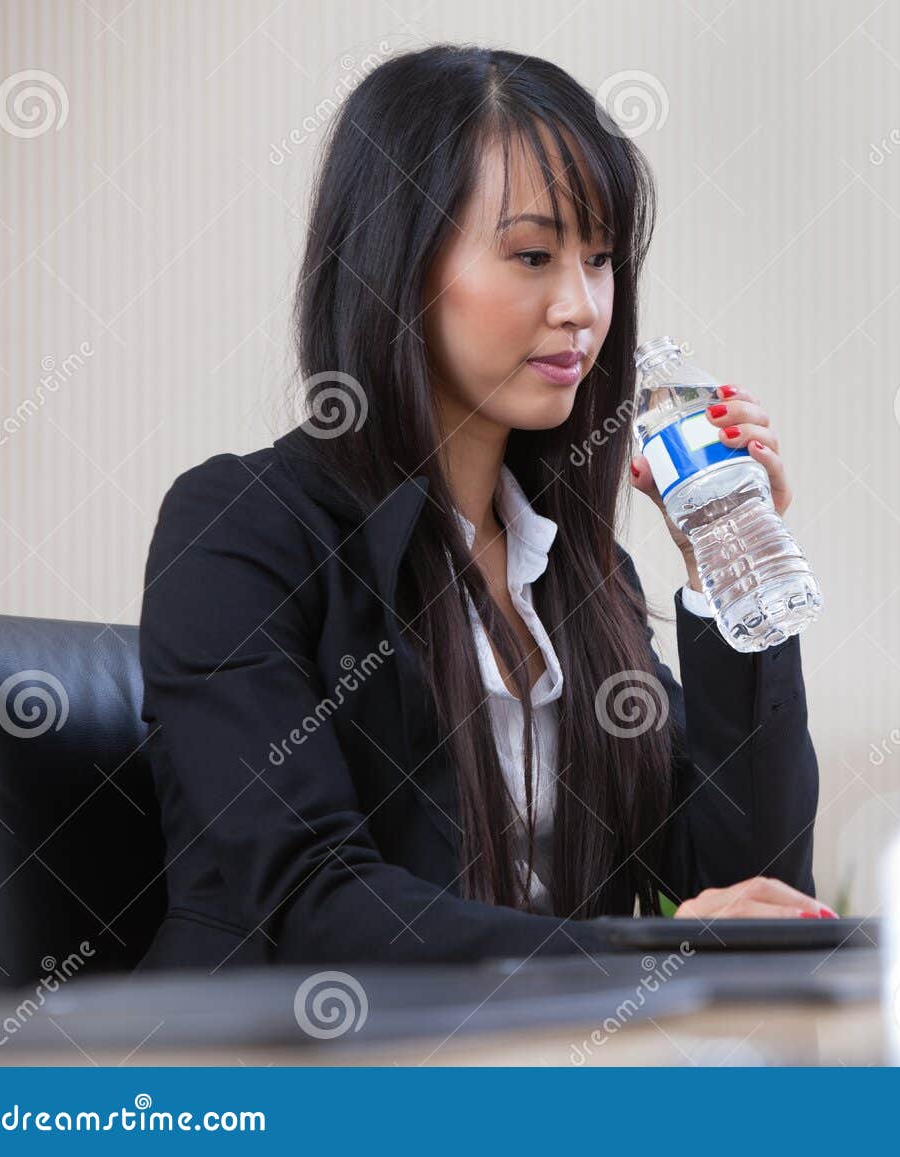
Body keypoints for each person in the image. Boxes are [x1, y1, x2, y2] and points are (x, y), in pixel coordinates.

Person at [135, 45, 825, 971]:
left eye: (601, 259)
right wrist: (626, 959)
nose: (581, 307)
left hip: (539, 1074)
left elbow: (755, 887)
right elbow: (310, 902)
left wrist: (729, 571)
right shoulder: (240, 527)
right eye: (534, 255)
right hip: (289, 1082)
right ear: (399, 265)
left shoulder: (574, 570)